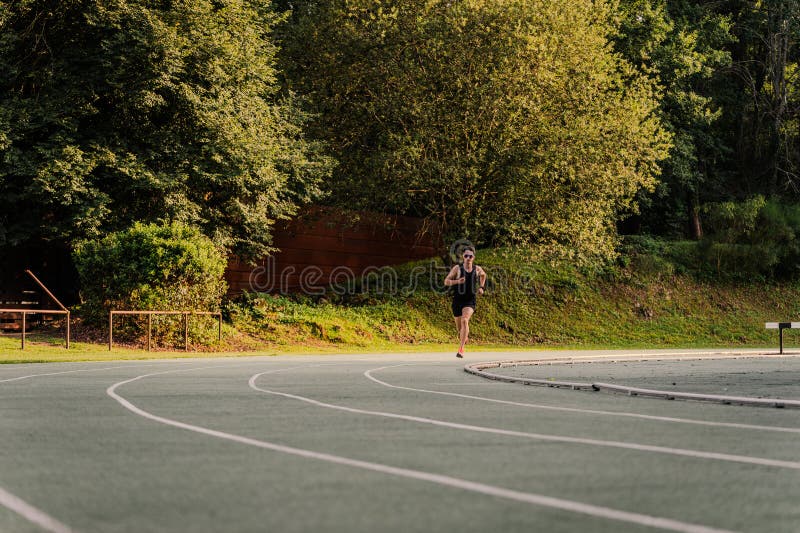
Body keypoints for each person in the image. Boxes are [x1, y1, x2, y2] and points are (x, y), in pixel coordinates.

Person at [443, 247, 486, 358]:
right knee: (460, 330)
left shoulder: (477, 269)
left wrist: (481, 287)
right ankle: (463, 336)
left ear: (473, 258)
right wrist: (457, 281)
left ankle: (461, 349)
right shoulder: (457, 268)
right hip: (457, 301)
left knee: (465, 320)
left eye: (470, 256)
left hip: (470, 301)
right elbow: (446, 281)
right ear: (463, 257)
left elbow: (483, 275)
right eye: (466, 256)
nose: (468, 258)